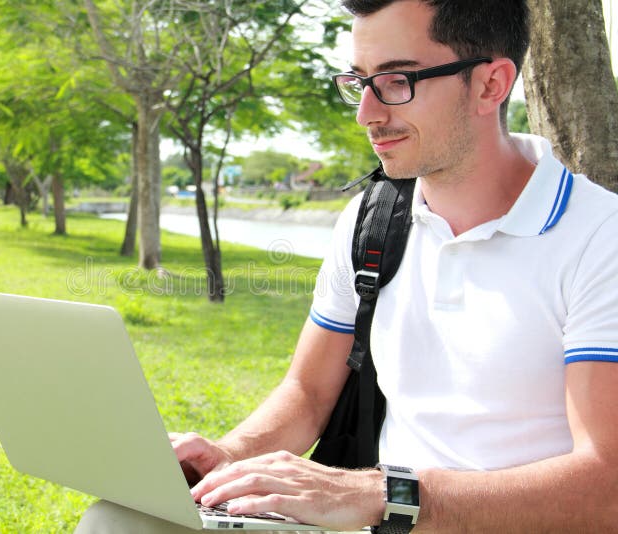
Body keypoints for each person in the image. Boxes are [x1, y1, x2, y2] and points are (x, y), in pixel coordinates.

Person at [77, 1, 618, 532]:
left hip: (448, 517)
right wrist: (226, 455)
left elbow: (607, 485)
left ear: (490, 84)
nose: (367, 114)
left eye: (397, 81)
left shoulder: (599, 239)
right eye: (360, 82)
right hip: (385, 518)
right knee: (118, 519)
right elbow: (309, 395)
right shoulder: (371, 219)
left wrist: (384, 495)